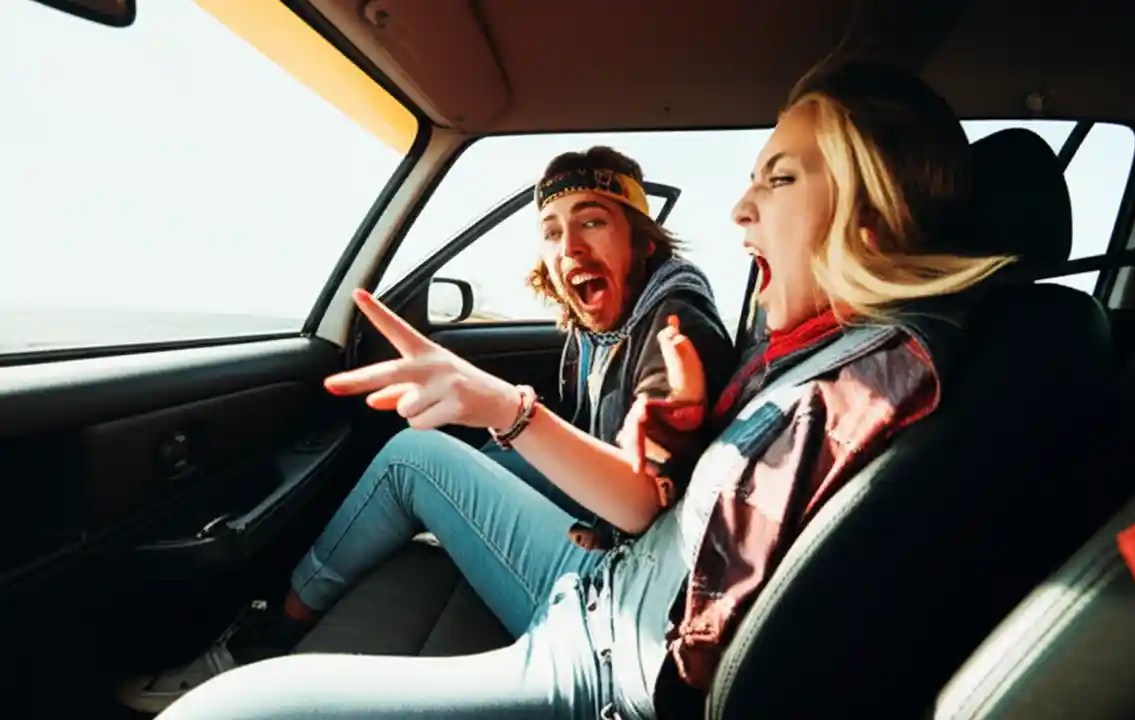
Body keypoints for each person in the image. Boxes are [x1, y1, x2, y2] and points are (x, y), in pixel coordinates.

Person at [154, 60, 1014, 720]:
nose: (741, 210)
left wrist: (508, 409)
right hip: (612, 582)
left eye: (780, 179)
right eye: (554, 231)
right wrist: (684, 439)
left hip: (607, 645)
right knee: (419, 452)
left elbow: (694, 572)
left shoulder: (850, 372)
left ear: (874, 208)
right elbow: (698, 496)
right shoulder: (813, 350)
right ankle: (266, 632)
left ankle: (254, 648)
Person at [117, 147, 736, 714]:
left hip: (621, 580)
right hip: (609, 534)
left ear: (643, 240)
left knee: (414, 457)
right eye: (552, 230)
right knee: (448, 455)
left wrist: (509, 411)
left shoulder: (676, 324)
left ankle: (268, 634)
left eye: (593, 220)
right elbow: (585, 441)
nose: (569, 246)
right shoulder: (598, 332)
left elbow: (638, 501)